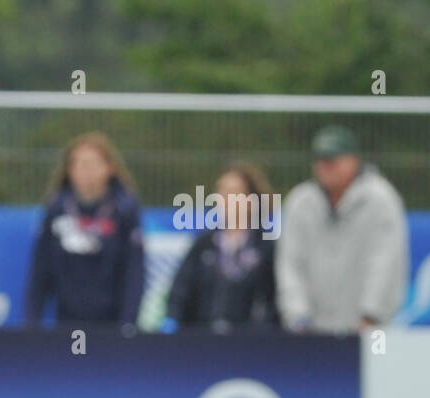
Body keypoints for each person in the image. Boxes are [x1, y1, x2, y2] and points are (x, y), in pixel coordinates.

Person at [275, 125, 409, 334]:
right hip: (310, 333)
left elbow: (386, 262)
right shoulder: (300, 201)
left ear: (353, 160)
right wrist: (298, 316)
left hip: (367, 330)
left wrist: (371, 315)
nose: (326, 167)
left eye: (333, 161)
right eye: (321, 161)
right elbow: (291, 264)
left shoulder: (381, 200)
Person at [25, 131, 146, 329]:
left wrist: (128, 323)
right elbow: (40, 271)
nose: (85, 170)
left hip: (111, 321)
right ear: (69, 170)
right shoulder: (56, 210)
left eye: (92, 163)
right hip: (67, 319)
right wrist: (31, 323)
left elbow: (134, 272)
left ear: (110, 168)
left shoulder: (125, 211)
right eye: (79, 163)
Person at [163, 163, 279, 332]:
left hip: (250, 345)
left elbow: (272, 301)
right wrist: (172, 319)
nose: (224, 199)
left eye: (233, 193)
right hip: (203, 342)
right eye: (221, 192)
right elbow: (180, 292)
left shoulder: (265, 248)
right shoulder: (203, 245)